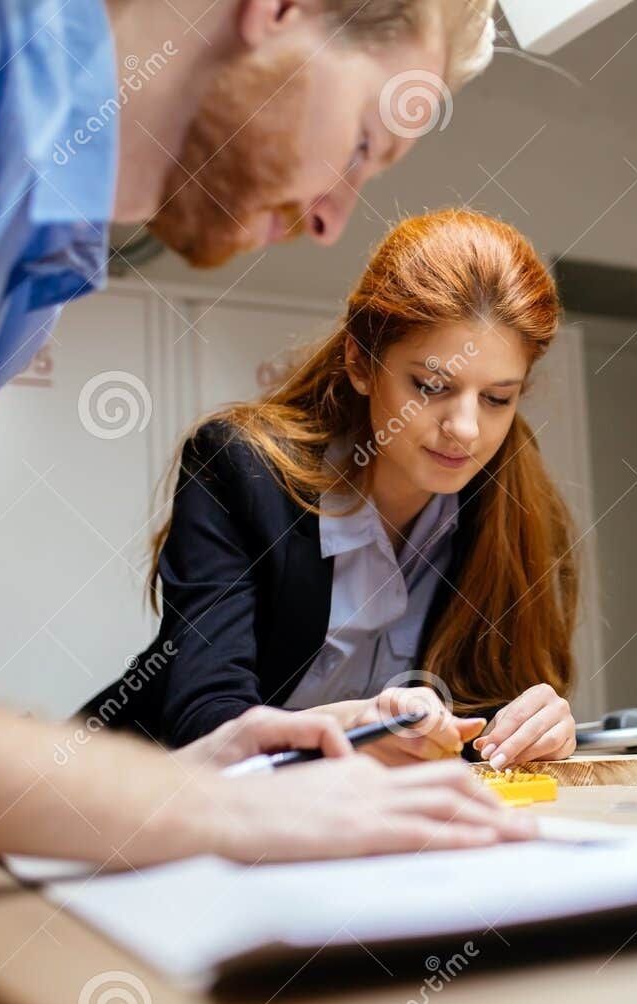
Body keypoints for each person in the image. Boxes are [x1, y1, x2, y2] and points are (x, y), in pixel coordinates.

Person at [0, 0, 537, 864]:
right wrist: (203, 807)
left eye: (498, 396)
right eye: (363, 144)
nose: (331, 221)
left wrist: (191, 781)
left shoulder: (40, 271)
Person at [82, 208, 580, 771]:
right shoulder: (240, 470)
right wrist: (352, 726)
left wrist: (530, 729)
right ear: (360, 363)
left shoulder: (509, 495)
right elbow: (208, 722)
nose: (466, 428)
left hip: (344, 814)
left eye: (497, 398)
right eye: (432, 385)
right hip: (135, 790)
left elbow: (475, 726)